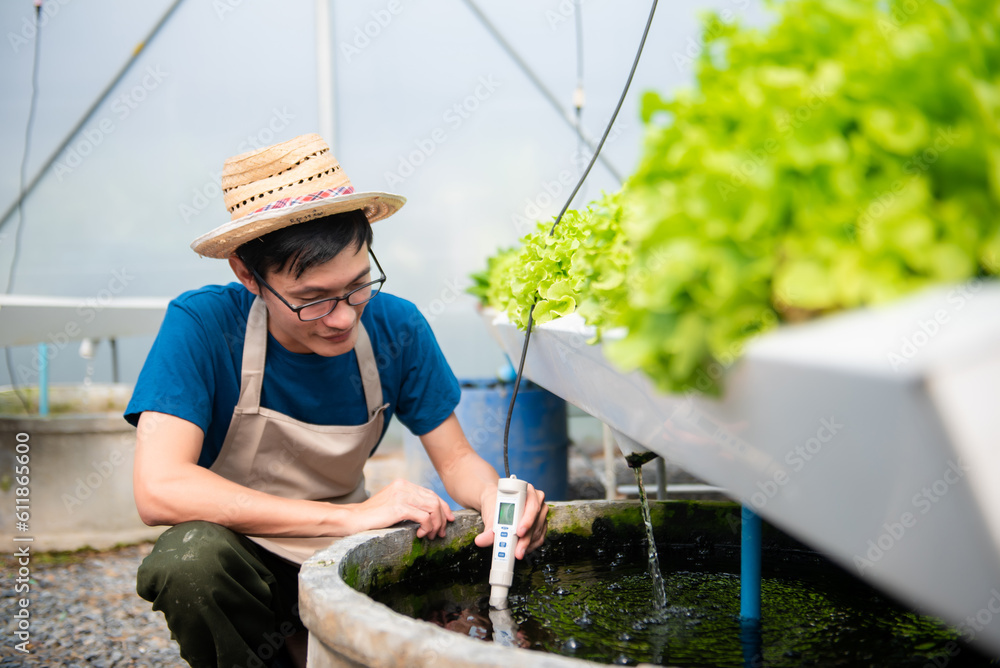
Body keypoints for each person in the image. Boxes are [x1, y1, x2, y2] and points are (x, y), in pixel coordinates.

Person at [125, 133, 549, 668]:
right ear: (247, 274)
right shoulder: (203, 326)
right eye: (312, 300)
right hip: (245, 551)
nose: (344, 316)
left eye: (357, 285)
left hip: (341, 552)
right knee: (189, 564)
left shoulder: (397, 327)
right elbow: (160, 488)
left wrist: (496, 501)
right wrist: (348, 518)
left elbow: (458, 459)